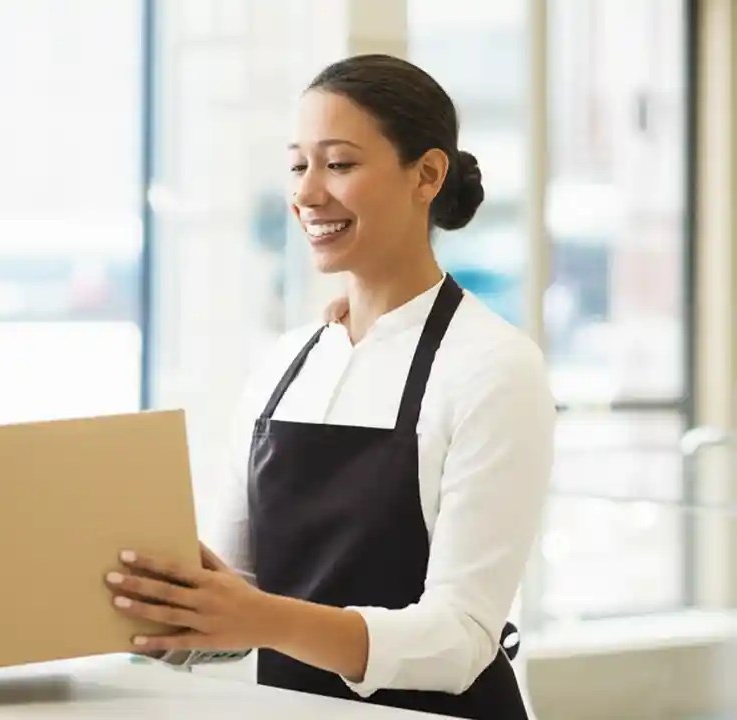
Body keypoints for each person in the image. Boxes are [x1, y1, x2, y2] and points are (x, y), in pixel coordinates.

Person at [104, 54, 555, 719]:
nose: (308, 194)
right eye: (298, 165)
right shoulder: (286, 366)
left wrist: (262, 619)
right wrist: (179, 617)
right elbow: (244, 603)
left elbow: (460, 640)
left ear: (426, 175)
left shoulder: (494, 366)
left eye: (339, 164)